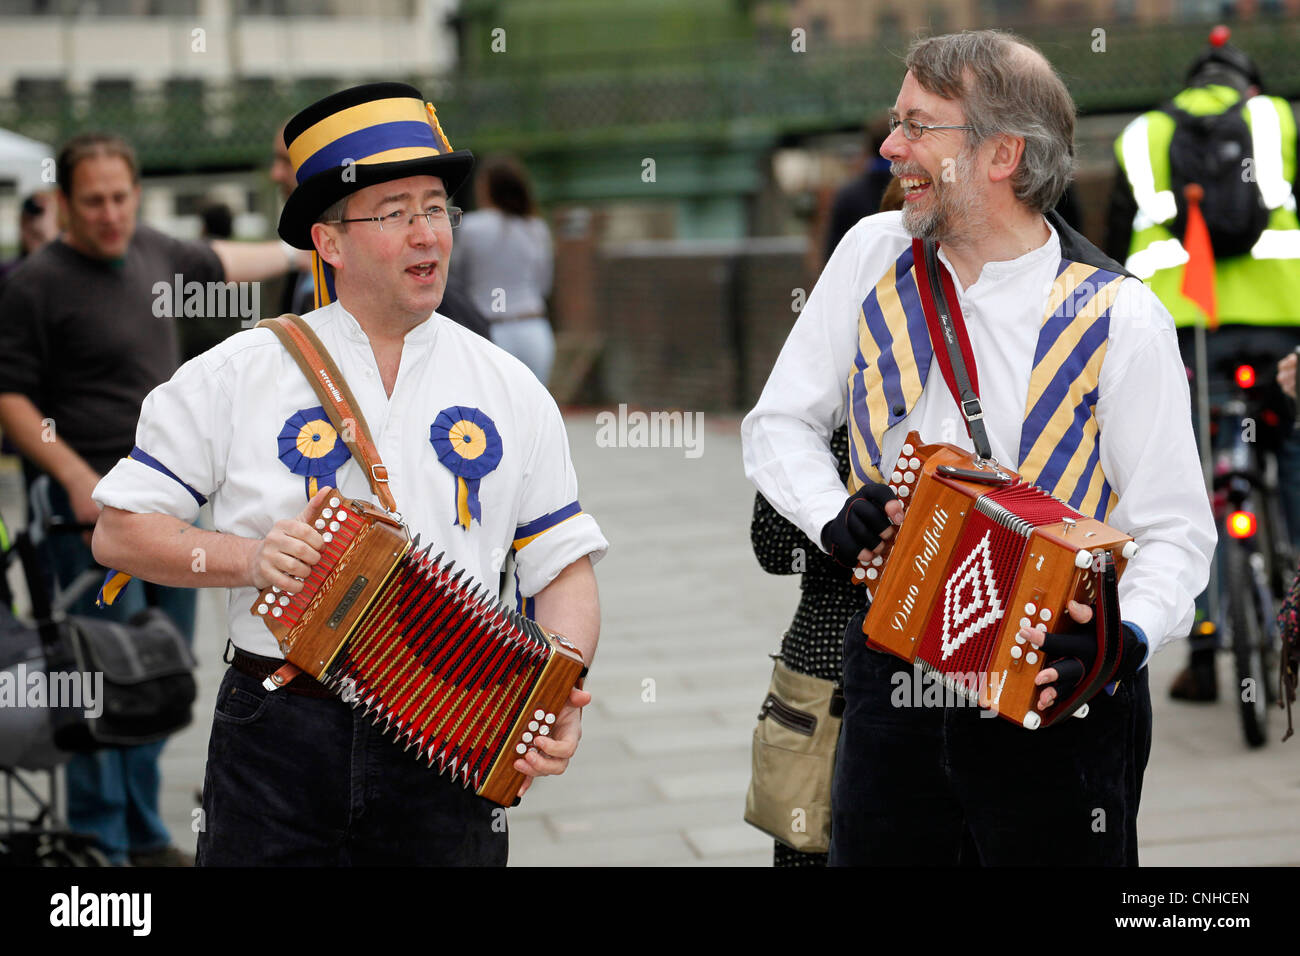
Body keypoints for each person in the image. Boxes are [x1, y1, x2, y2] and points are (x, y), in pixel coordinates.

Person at [89, 83, 607, 866]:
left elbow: (560, 568)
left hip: (451, 737)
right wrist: (249, 559)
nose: (426, 232)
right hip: (278, 738)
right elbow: (118, 530)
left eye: (437, 208)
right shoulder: (234, 373)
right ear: (328, 242)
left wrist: (553, 692)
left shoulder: (511, 388)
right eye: (395, 212)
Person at [742, 30, 1216, 866]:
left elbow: (1176, 531)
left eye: (919, 126)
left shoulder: (1121, 317)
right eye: (896, 122)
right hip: (890, 674)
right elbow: (778, 423)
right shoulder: (870, 253)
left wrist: (1122, 640)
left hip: (1056, 694)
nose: (891, 146)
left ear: (1002, 153)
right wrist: (830, 517)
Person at [0, 132, 304, 866]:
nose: (110, 214)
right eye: (94, 201)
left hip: (175, 511)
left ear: (136, 195)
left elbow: (229, 262)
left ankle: (142, 829)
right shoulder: (33, 283)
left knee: (162, 666)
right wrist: (73, 476)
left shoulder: (155, 252)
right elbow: (9, 396)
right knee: (94, 671)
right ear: (64, 203)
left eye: (121, 197)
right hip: (85, 517)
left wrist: (307, 247)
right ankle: (102, 836)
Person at [1105, 26, 1300, 701]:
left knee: (1195, 480)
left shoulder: (1143, 134)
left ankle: (1207, 640)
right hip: (1281, 325)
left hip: (1184, 331)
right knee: (1292, 446)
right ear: (1247, 82)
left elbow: (1109, 243)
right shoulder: (1276, 118)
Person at [450, 155, 556, 384]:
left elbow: (458, 279)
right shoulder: (536, 228)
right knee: (534, 412)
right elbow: (544, 283)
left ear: (485, 188)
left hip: (490, 329)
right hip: (533, 327)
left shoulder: (472, 227)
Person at [0, 191, 58, 284]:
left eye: (41, 211)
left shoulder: (72, 270)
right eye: (27, 218)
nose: (34, 224)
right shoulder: (7, 272)